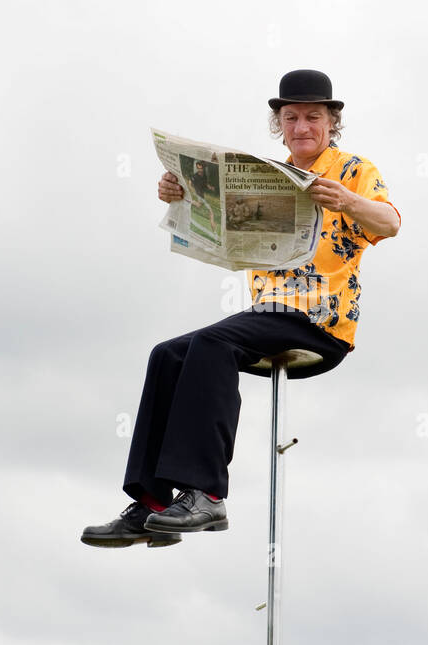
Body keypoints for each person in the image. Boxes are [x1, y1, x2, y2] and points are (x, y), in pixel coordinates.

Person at [80, 69, 400, 549]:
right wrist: (182, 194)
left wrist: (349, 201)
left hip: (321, 321)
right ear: (279, 124)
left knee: (213, 342)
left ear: (331, 122)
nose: (301, 127)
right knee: (167, 354)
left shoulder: (353, 169)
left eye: (313, 117)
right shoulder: (267, 173)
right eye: (290, 118)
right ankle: (153, 503)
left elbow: (390, 222)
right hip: (269, 314)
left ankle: (206, 492)